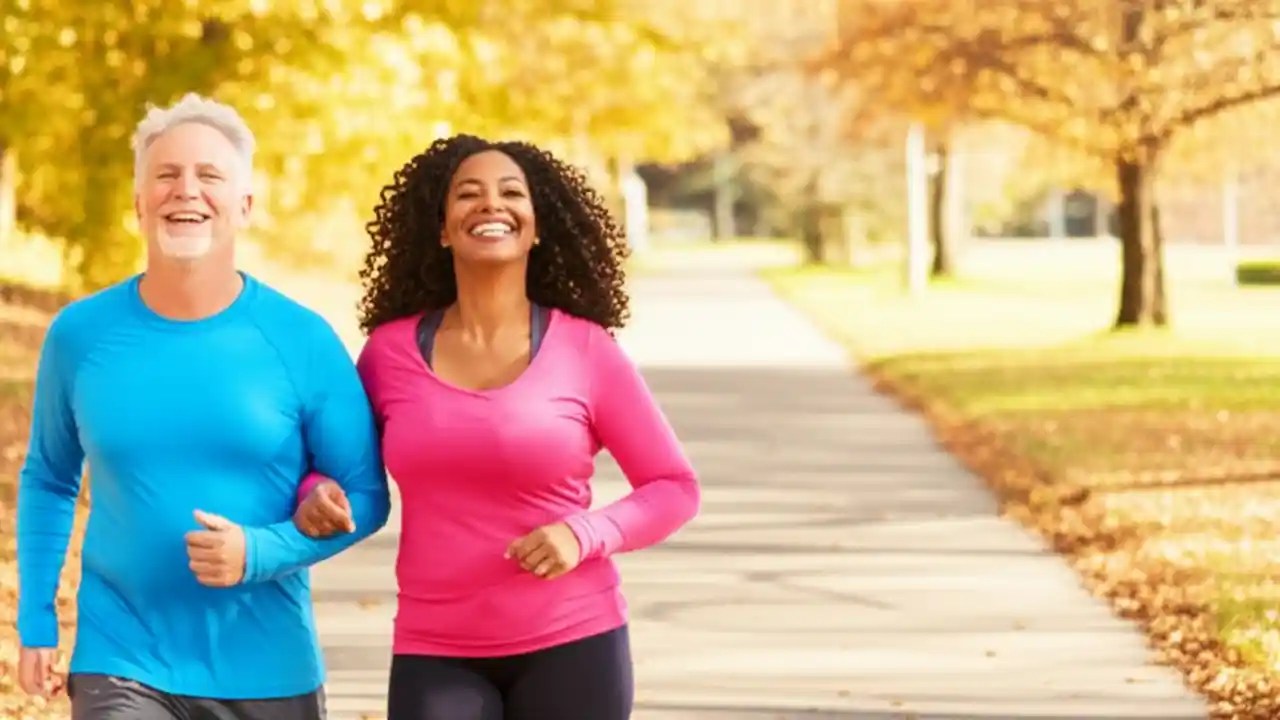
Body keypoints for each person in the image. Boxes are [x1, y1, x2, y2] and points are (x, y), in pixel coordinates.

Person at [292, 134, 701, 719]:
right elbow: (335, 472)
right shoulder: (389, 353)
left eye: (511, 192)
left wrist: (584, 534)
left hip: (574, 641)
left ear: (536, 228)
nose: (490, 204)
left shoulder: (585, 349)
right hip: (436, 649)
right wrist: (315, 495)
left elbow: (674, 487)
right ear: (441, 228)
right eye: (468, 193)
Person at [15, 92, 392, 720]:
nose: (185, 190)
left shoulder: (300, 340)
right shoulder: (80, 336)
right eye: (166, 174)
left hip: (268, 665)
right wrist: (36, 620)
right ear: (139, 203)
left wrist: (262, 551)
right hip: (121, 656)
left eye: (209, 175)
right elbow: (50, 479)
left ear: (244, 205)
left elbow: (367, 495)